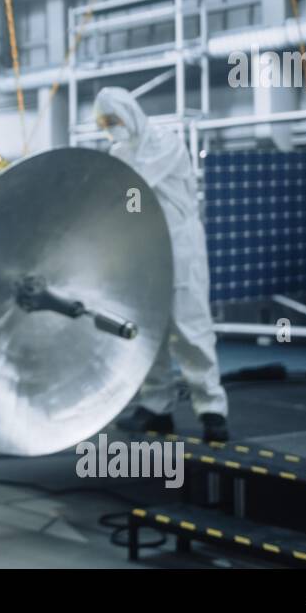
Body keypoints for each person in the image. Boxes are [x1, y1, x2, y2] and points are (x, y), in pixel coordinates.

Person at [94, 86, 230, 443]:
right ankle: (156, 406)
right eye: (105, 122)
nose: (110, 126)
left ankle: (211, 408)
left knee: (190, 326)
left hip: (180, 244)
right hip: (143, 247)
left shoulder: (163, 142)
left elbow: (132, 185)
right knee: (145, 328)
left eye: (114, 119)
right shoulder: (118, 151)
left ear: (130, 112)